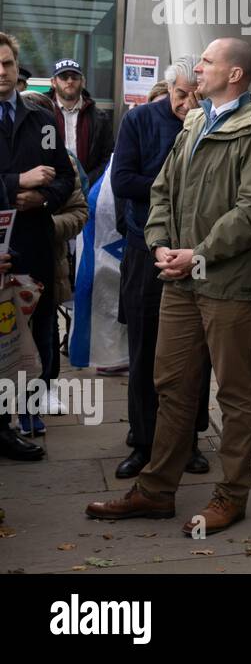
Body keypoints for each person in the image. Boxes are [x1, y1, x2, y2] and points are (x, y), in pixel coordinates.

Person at [86, 38, 251, 534]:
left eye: (206, 62)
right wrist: (159, 244)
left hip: (231, 283)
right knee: (172, 386)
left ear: (235, 75)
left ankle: (231, 495)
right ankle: (156, 492)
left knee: (236, 393)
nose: (197, 68)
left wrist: (197, 253)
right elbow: (161, 189)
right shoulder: (195, 120)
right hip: (179, 278)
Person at [109, 56, 211, 479]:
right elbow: (122, 181)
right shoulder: (140, 121)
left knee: (194, 353)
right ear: (168, 88)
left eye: (195, 95)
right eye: (180, 94)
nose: (187, 103)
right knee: (145, 350)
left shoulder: (212, 122)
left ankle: (187, 441)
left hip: (197, 252)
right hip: (144, 247)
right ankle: (143, 441)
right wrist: (169, 187)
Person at [0, 33, 76, 457]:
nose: (2, 72)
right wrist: (15, 184)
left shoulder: (43, 121)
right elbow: (24, 179)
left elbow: (65, 178)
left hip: (34, 246)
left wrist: (43, 197)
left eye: (8, 63)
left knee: (34, 336)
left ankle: (25, 413)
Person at [20, 92, 89, 394]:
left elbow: (79, 212)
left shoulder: (64, 164)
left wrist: (46, 224)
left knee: (44, 331)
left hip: (47, 263)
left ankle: (39, 397)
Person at [50, 59, 113, 185]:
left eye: (74, 77)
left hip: (88, 188)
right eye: (63, 77)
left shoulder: (99, 118)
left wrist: (87, 182)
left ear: (83, 82)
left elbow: (107, 157)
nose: (69, 81)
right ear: (53, 82)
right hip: (51, 187)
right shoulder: (42, 112)